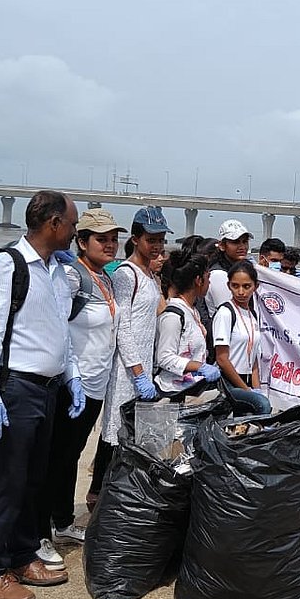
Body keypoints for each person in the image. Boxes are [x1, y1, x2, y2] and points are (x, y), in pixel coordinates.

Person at [0, 191, 85, 599]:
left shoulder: (57, 271)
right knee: (9, 480)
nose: (75, 232)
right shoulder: (7, 266)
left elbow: (60, 331)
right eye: (72, 225)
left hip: (48, 389)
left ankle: (21, 556)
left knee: (34, 479)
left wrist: (71, 376)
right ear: (53, 223)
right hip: (16, 388)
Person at [36, 207, 125, 557]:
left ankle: (62, 521)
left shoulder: (104, 277)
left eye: (113, 239)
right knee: (55, 458)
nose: (110, 245)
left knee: (70, 456)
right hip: (72, 385)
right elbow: (53, 321)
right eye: (101, 239)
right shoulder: (73, 276)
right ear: (82, 242)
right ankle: (40, 533)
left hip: (96, 386)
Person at [99, 206, 170, 500]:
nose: (156, 246)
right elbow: (123, 327)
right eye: (151, 240)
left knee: (131, 434)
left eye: (160, 240)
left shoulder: (148, 273)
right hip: (125, 369)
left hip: (143, 367)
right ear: (136, 239)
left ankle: (117, 494)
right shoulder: (126, 274)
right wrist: (138, 372)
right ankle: (98, 493)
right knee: (114, 432)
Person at [154, 249, 220, 399]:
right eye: (208, 277)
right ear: (198, 280)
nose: (209, 282)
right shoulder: (173, 316)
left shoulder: (192, 311)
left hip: (193, 388)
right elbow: (164, 358)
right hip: (174, 392)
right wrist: (199, 367)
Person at [211, 260, 271, 415]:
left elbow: (253, 357)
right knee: (262, 405)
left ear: (255, 286)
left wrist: (257, 388)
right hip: (229, 382)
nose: (241, 292)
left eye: (246, 286)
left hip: (247, 381)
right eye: (235, 286)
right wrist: (247, 390)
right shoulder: (225, 313)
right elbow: (222, 359)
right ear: (228, 286)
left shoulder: (252, 314)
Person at [205, 219, 252, 312]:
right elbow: (230, 310)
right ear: (222, 246)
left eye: (245, 241)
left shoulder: (238, 269)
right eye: (235, 242)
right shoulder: (219, 275)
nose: (242, 246)